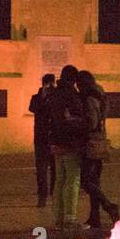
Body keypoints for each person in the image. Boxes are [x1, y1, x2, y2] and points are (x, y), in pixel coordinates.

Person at [77, 70, 120, 228]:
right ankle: (94, 217)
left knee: (85, 180)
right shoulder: (100, 93)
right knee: (95, 180)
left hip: (91, 143)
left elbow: (92, 122)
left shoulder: (89, 97)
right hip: (100, 140)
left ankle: (108, 206)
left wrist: (79, 125)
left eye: (78, 84)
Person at [46, 65, 87, 229]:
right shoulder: (72, 95)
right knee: (73, 179)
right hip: (70, 142)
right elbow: (78, 117)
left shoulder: (54, 93)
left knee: (59, 180)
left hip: (56, 142)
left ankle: (59, 219)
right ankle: (70, 218)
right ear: (73, 80)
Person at [28, 73, 56, 207]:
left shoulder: (57, 97)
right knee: (41, 167)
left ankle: (54, 191)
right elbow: (33, 108)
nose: (50, 86)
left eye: (52, 83)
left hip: (55, 137)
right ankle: (42, 193)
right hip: (41, 137)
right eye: (48, 83)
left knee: (55, 167)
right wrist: (43, 96)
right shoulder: (36, 97)